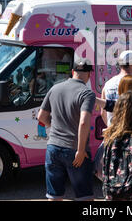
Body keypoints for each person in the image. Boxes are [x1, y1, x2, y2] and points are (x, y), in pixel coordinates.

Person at [37, 58, 96, 201]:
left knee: (54, 195)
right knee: (84, 196)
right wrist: (81, 150)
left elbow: (41, 116)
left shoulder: (55, 88)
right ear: (89, 75)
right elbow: (83, 122)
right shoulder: (87, 93)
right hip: (74, 150)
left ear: (72, 72)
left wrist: (55, 127)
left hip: (53, 148)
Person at [101, 50, 132, 126]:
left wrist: (111, 128)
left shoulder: (108, 84)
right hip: (130, 132)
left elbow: (103, 112)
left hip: (113, 132)